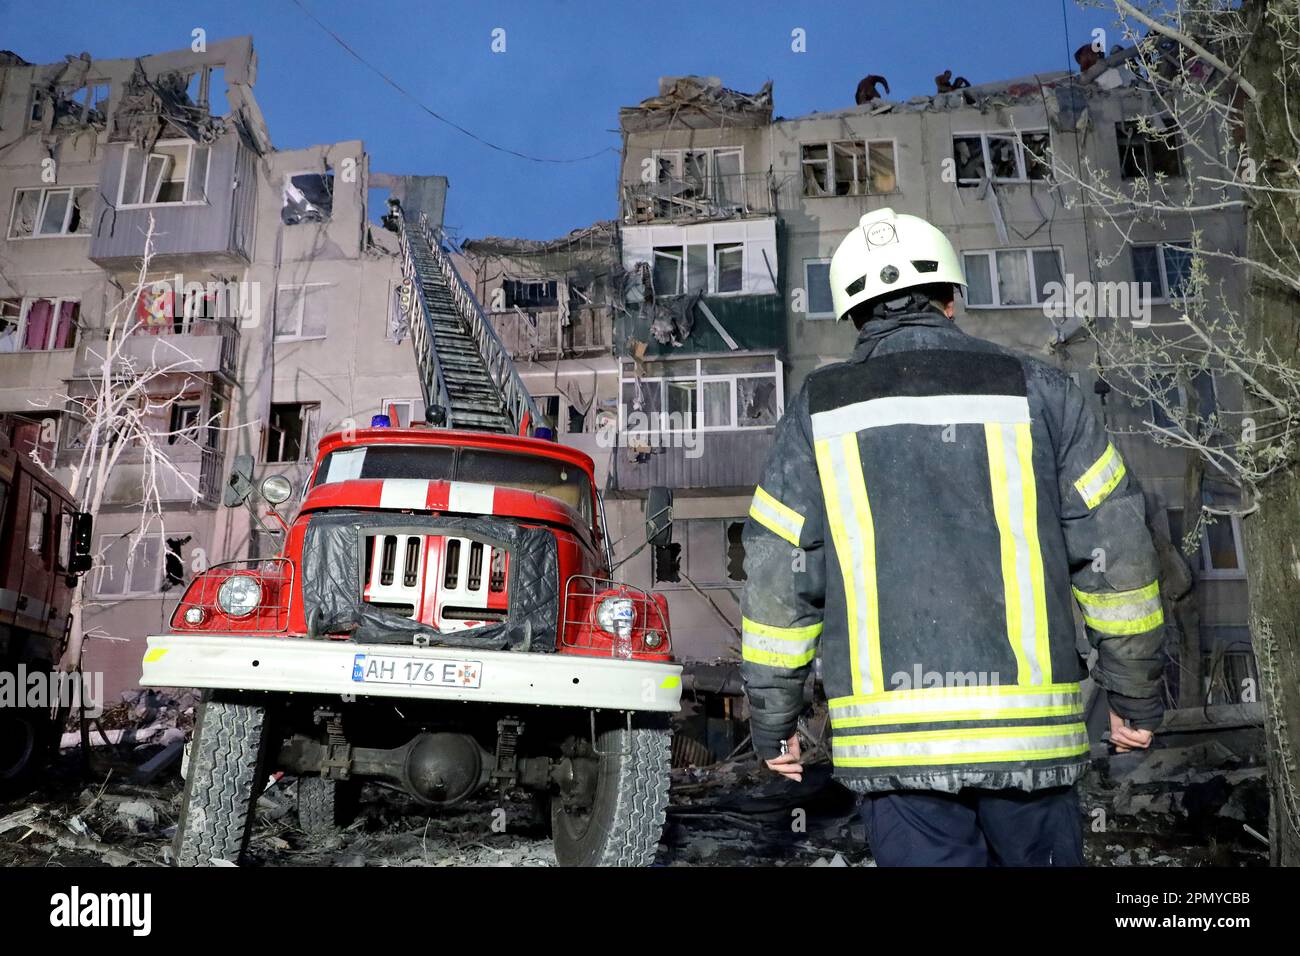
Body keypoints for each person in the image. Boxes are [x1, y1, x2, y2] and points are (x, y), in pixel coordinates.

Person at [740, 208, 1165, 866]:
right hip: (1032, 745)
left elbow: (778, 575)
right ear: (954, 296)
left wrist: (775, 720)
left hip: (897, 750)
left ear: (852, 313)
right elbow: (1120, 554)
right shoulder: (1044, 390)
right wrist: (1133, 694)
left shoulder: (818, 409)